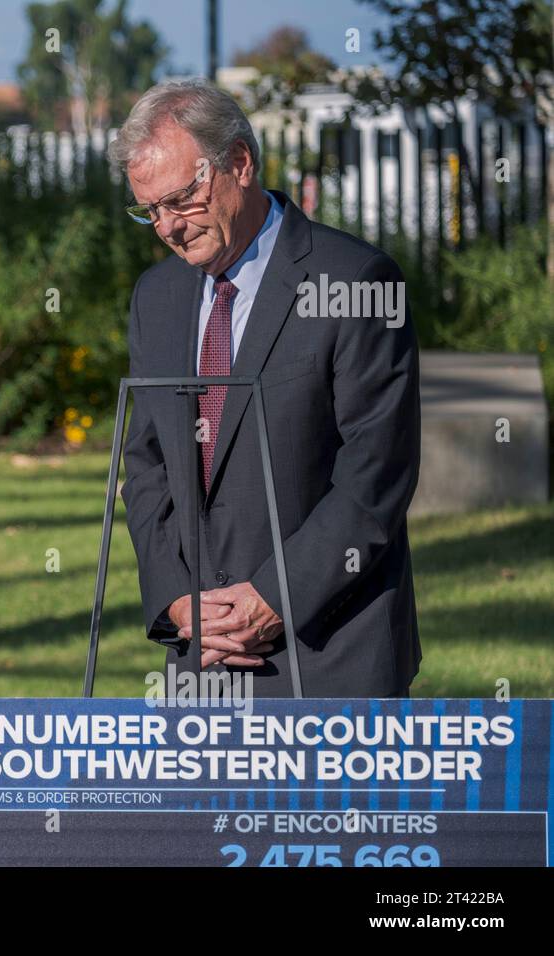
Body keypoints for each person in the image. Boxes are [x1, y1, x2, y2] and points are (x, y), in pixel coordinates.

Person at [113, 80, 421, 697]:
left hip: (334, 653)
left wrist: (276, 596)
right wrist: (177, 600)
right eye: (150, 210)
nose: (169, 227)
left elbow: (376, 470)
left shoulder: (356, 280)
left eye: (180, 199)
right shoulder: (157, 296)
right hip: (202, 661)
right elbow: (146, 465)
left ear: (240, 164)